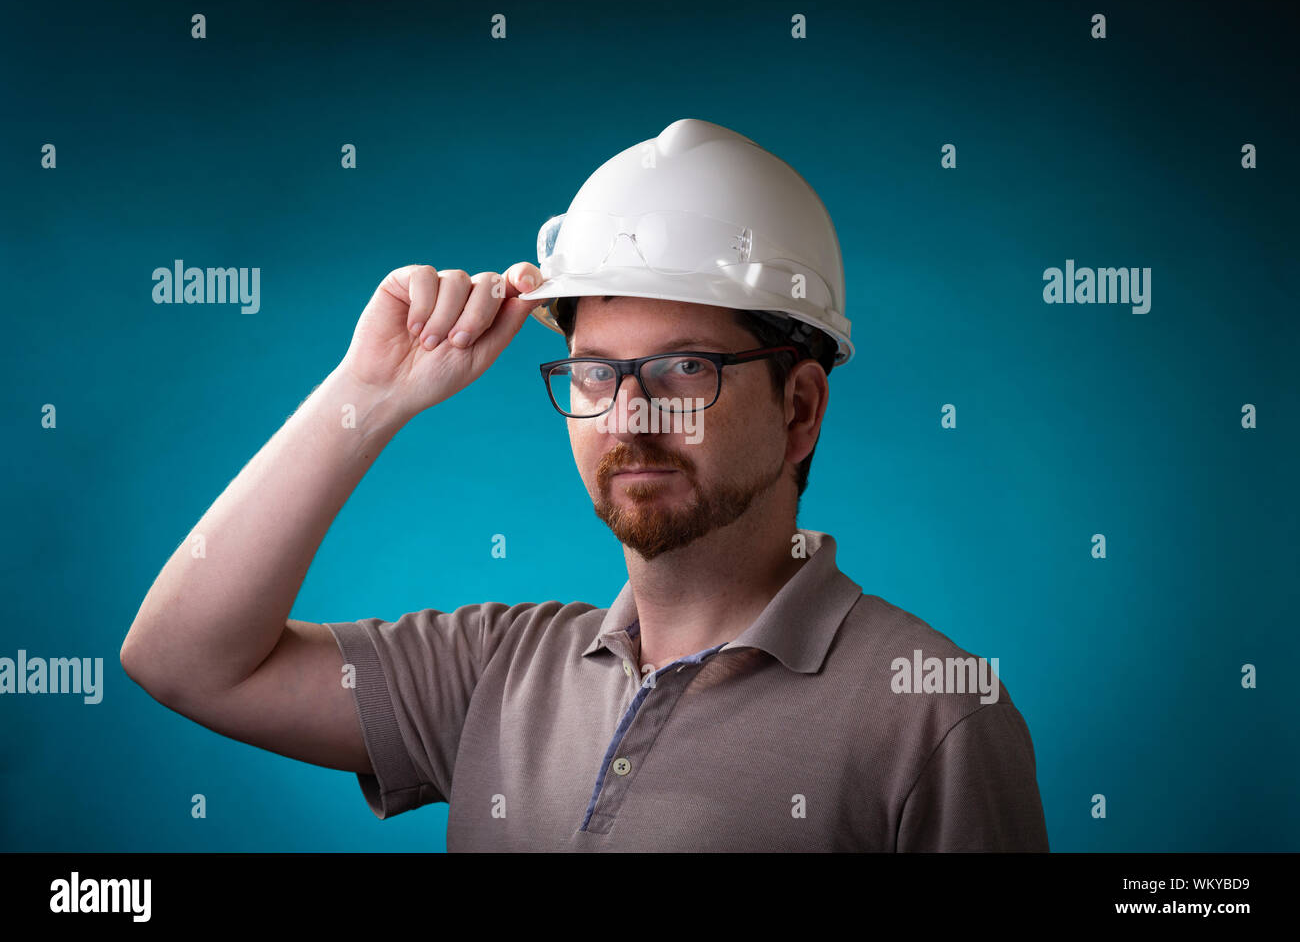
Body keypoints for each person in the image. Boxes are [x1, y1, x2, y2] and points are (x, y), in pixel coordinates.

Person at [121, 118, 1049, 851]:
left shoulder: (934, 713)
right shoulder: (498, 672)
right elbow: (182, 662)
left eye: (686, 369)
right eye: (595, 372)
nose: (628, 414)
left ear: (800, 409)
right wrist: (370, 393)